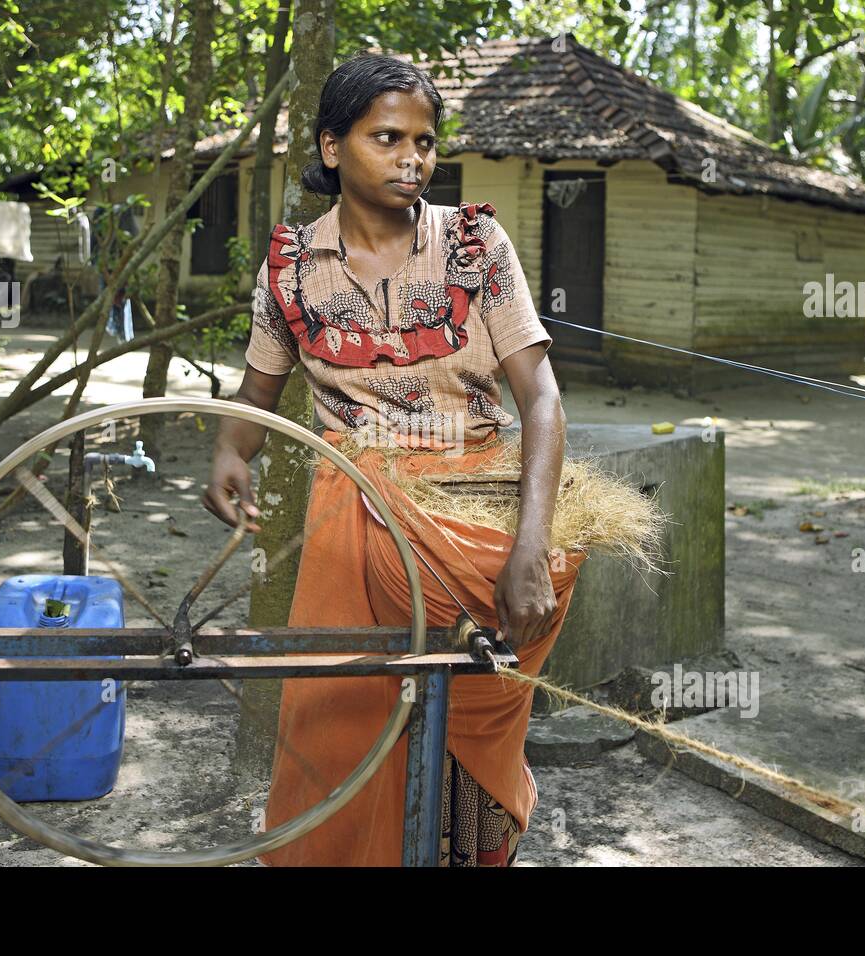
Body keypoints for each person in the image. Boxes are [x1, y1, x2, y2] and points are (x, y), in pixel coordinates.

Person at [202, 52, 587, 866]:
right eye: (388, 137)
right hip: (354, 518)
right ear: (333, 146)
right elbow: (256, 399)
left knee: (467, 721)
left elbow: (543, 402)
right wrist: (229, 451)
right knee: (338, 721)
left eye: (425, 140)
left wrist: (527, 546)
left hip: (471, 516)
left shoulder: (474, 246)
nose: (413, 157)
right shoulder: (290, 270)